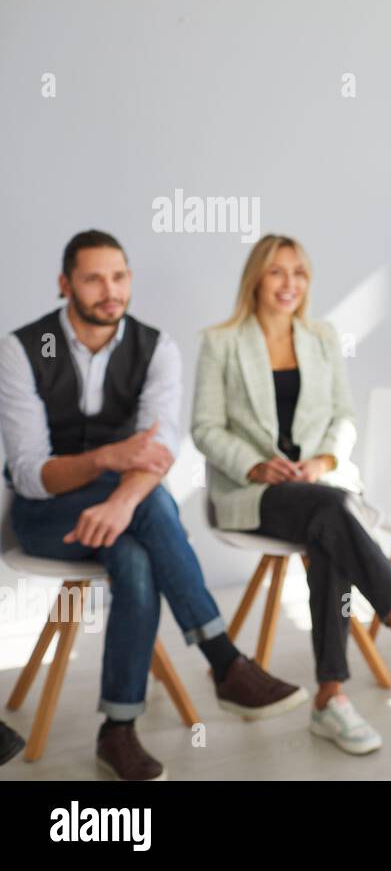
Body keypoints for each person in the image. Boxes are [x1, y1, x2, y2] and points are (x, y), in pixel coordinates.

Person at [0, 230, 309, 780]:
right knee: (153, 507)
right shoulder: (26, 348)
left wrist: (121, 503)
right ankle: (222, 661)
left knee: (137, 557)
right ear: (64, 284)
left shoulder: (156, 347)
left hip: (123, 507)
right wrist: (109, 458)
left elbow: (160, 451)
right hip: (44, 514)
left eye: (119, 277)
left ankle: (118, 730)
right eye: (93, 278)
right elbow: (31, 473)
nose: (109, 291)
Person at [192, 234, 391, 756]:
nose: (289, 283)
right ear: (256, 278)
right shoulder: (221, 342)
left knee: (327, 526)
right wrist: (256, 463)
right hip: (256, 492)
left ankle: (332, 697)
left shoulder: (321, 338)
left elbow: (344, 416)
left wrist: (323, 462)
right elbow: (205, 427)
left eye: (299, 272)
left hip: (318, 486)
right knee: (332, 514)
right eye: (277, 272)